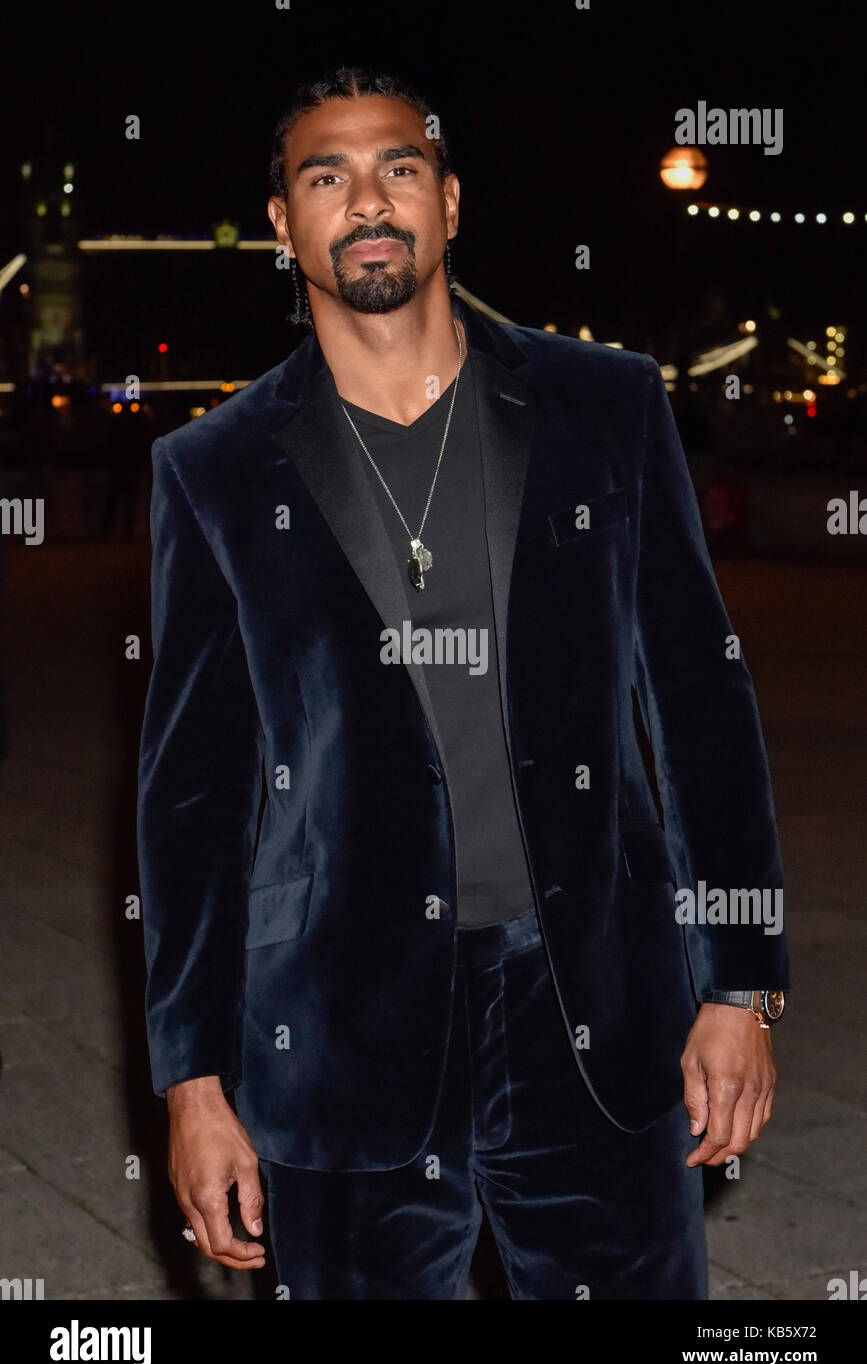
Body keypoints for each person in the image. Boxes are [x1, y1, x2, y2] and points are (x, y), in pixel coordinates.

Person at [137, 66, 790, 1300]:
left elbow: (700, 705)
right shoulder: (211, 470)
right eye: (325, 177)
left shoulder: (605, 403)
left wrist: (742, 978)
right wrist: (194, 1083)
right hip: (337, 1031)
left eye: (398, 168)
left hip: (592, 997)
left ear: (448, 200)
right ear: (284, 224)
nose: (366, 199)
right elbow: (191, 800)